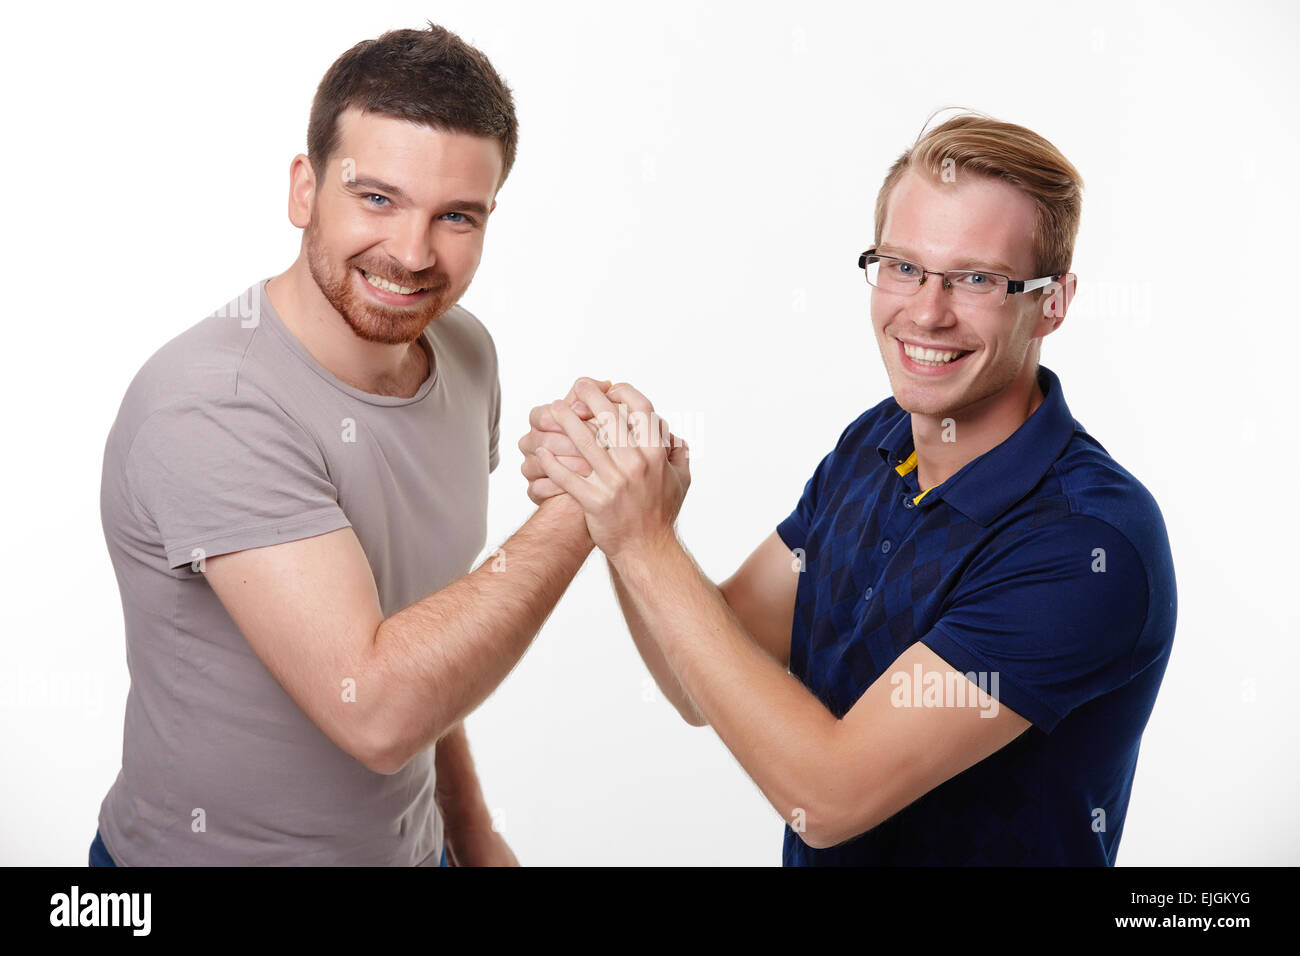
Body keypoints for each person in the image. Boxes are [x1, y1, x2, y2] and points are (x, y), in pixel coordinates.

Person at [520, 112, 1178, 865]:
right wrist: (617, 497)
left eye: (975, 279)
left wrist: (643, 536)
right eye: (902, 266)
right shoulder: (879, 441)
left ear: (1051, 303)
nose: (926, 311)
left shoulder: (1085, 543)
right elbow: (693, 678)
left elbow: (826, 799)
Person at [93, 22, 599, 866]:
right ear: (304, 188)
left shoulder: (466, 353)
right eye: (377, 198)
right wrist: (586, 508)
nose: (410, 252)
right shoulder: (213, 405)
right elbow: (377, 709)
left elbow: (420, 630)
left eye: (455, 216)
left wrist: (471, 838)